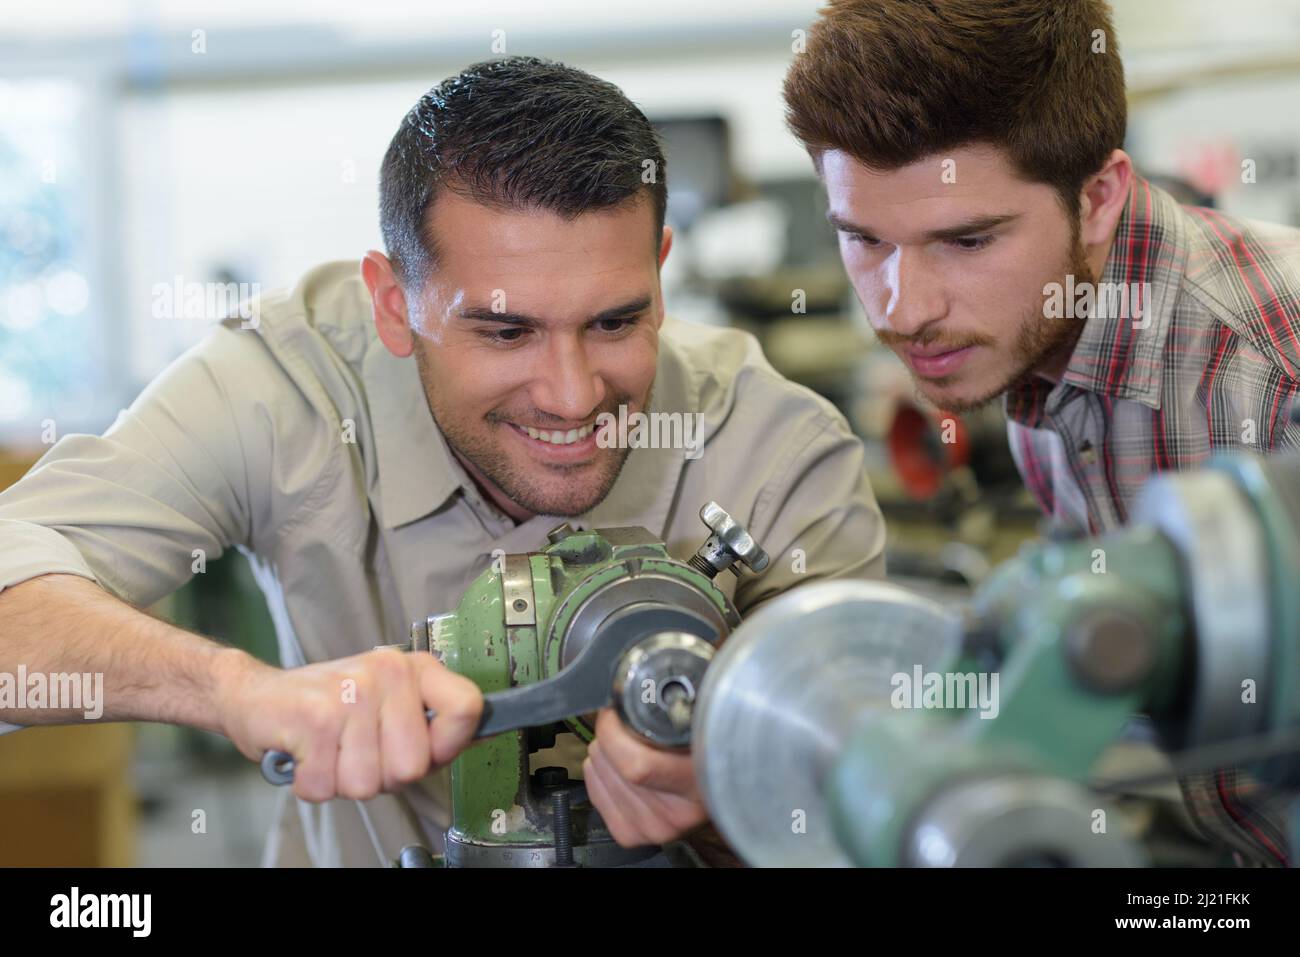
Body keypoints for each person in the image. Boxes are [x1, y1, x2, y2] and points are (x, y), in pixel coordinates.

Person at [0, 56, 886, 866]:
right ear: (394, 302)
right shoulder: (287, 390)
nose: (573, 396)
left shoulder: (780, 454)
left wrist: (729, 803)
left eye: (615, 321)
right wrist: (240, 692)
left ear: (659, 268)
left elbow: (873, 811)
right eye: (506, 331)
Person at [783, 0, 1300, 866]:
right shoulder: (1030, 346)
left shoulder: (1273, 373)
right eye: (864, 240)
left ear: (1098, 198)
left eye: (966, 239)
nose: (905, 310)